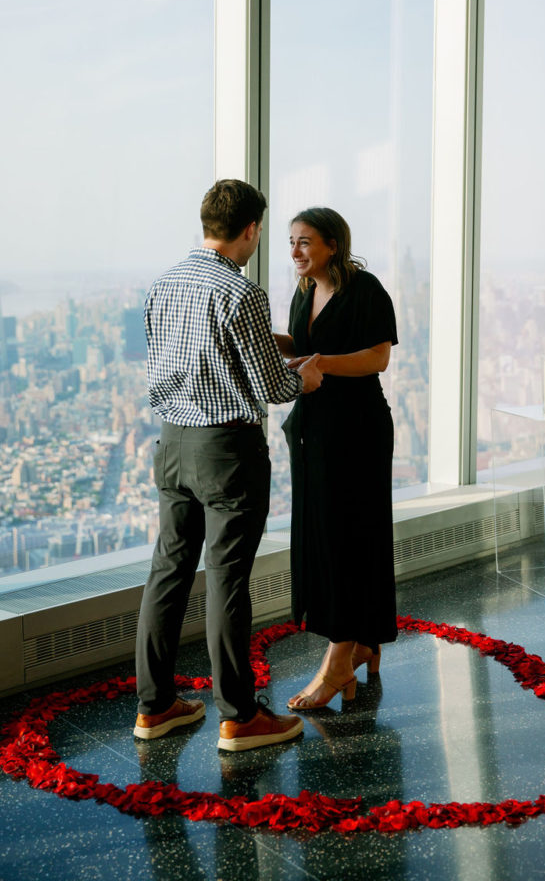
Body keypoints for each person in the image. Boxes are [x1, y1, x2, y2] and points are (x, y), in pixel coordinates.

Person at [134, 180, 323, 750]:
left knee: (168, 571)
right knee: (227, 580)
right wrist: (306, 378)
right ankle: (240, 716)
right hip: (226, 453)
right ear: (251, 229)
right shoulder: (241, 292)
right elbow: (271, 385)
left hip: (172, 444)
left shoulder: (163, 283)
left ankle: (154, 707)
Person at [275, 207, 398, 710]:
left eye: (304, 242)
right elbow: (306, 345)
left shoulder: (365, 290)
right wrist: (269, 341)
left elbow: (378, 357)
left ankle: (339, 661)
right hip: (315, 430)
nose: (294, 251)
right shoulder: (304, 292)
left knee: (351, 539)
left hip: (358, 430)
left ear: (333, 244)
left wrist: (319, 361)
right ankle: (361, 641)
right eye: (291, 242)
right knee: (327, 539)